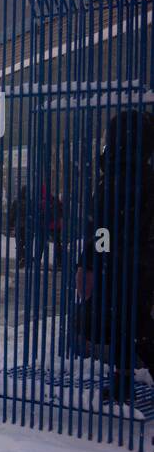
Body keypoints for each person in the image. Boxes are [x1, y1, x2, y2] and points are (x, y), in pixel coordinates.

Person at [78, 111, 154, 402]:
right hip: (140, 263)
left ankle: (122, 381)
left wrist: (94, 261)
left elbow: (102, 228)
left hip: (119, 264)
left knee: (130, 325)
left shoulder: (113, 181)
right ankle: (122, 381)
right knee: (131, 324)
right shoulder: (143, 177)